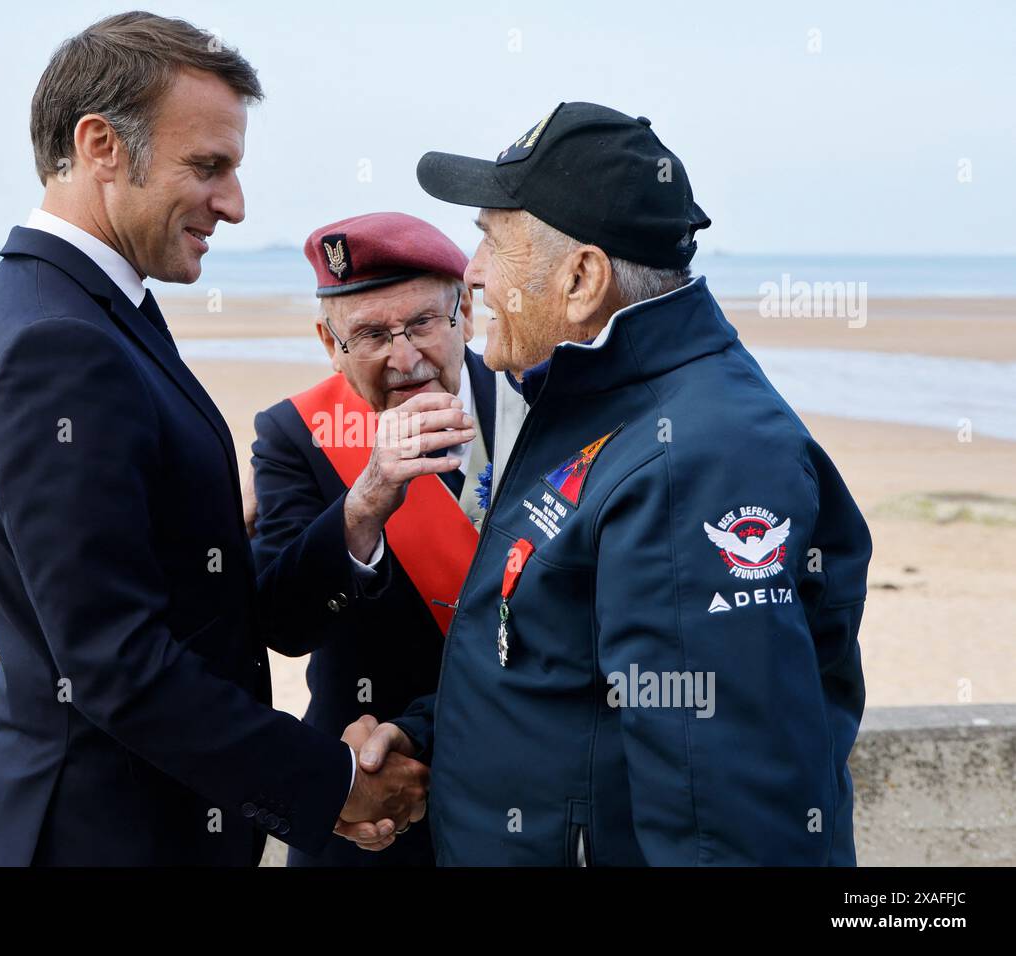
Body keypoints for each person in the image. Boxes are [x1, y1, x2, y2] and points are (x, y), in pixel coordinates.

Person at [0, 12, 426, 866]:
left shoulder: (70, 304)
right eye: (209, 167)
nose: (234, 205)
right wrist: (329, 785)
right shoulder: (59, 342)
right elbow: (112, 660)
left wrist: (337, 517)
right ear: (102, 147)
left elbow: (172, 592)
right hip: (107, 837)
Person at [339, 102, 872, 865]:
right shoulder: (593, 404)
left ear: (582, 278)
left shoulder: (696, 460)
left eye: (494, 239)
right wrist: (433, 729)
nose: (473, 271)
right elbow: (567, 663)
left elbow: (727, 809)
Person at [248, 212, 496, 866]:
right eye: (370, 334)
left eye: (421, 323)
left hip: (521, 786)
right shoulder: (294, 434)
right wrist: (365, 505)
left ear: (464, 312)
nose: (404, 356)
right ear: (330, 345)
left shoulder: (537, 402)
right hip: (376, 797)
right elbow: (283, 622)